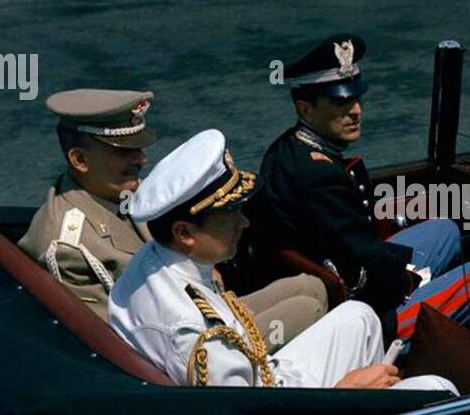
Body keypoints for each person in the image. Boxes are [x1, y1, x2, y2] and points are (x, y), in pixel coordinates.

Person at [110, 129, 456, 395]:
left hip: (262, 381)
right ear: (185, 232)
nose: (244, 223)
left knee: (360, 316)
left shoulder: (155, 262)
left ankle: (372, 414)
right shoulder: (193, 334)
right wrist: (346, 392)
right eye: (230, 215)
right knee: (439, 389)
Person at [21, 89, 327, 341]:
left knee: (311, 286)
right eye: (122, 151)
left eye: (138, 147)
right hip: (182, 341)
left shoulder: (117, 189)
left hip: (200, 304)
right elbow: (113, 342)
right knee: (309, 309)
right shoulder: (67, 246)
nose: (141, 159)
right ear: (80, 159)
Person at [248, 35, 470, 340]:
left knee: (446, 228)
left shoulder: (286, 150)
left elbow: (357, 243)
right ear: (305, 109)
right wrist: (409, 281)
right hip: (360, 309)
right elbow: (366, 256)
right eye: (341, 101)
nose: (356, 110)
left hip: (348, 268)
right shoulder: (318, 174)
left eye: (356, 98)